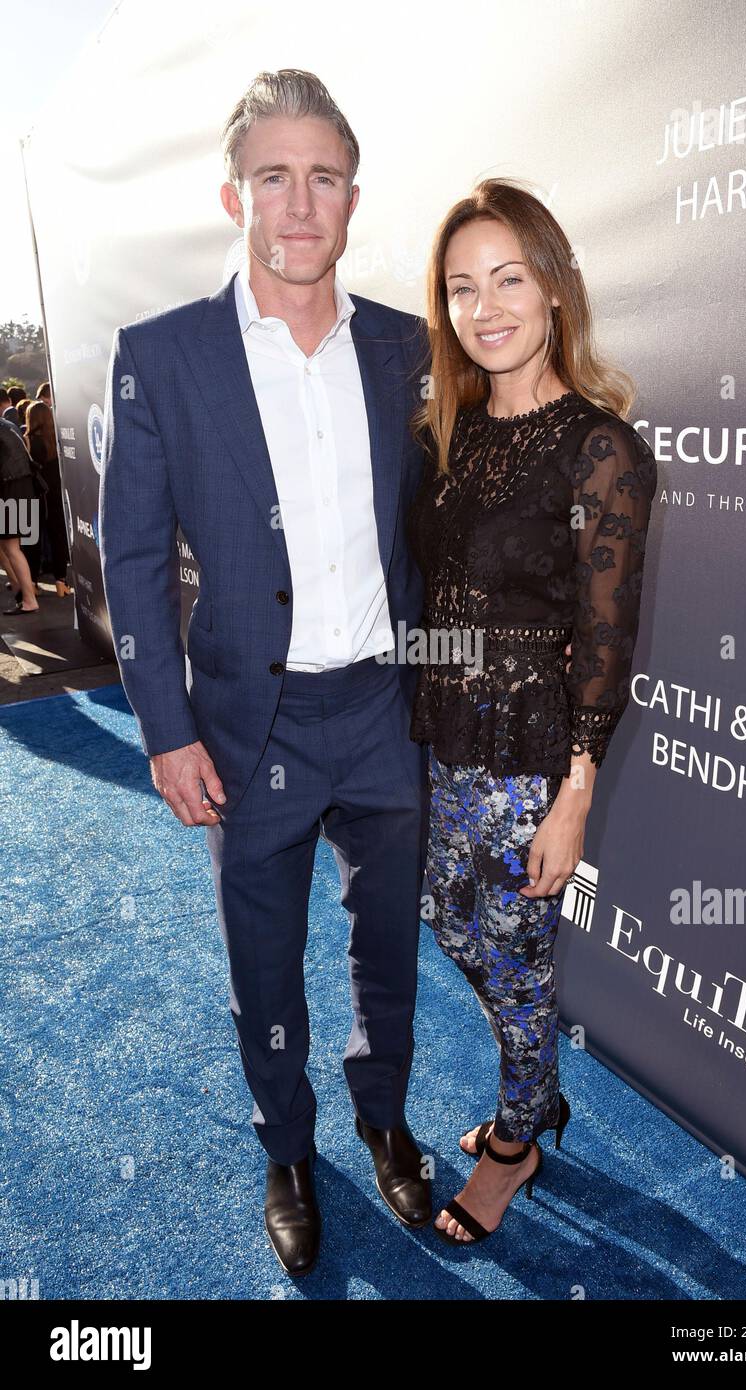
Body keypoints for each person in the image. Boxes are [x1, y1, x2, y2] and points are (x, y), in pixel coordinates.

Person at [99, 68, 433, 1279]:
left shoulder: (406, 346)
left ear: (352, 195)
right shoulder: (162, 356)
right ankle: (286, 1148)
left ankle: (381, 1114)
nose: (301, 205)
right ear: (233, 195)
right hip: (250, 721)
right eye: (275, 178)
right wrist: (164, 730)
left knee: (386, 939)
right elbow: (130, 562)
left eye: (325, 178)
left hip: (386, 713)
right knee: (262, 954)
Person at [405, 177, 658, 1244]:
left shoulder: (598, 449)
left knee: (515, 963)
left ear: (554, 289)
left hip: (529, 761)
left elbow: (604, 643)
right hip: (444, 738)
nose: (486, 305)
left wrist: (574, 796)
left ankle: (515, 1143)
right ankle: (534, 1088)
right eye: (462, 287)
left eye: (509, 277)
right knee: (452, 926)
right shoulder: (447, 435)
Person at [24, 399, 72, 596]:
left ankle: (33, 583)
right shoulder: (58, 440)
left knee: (32, 539)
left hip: (36, 495)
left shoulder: (27, 441)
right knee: (58, 536)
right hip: (56, 494)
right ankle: (61, 582)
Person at [0, 417, 40, 614]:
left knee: (11, 547)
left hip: (11, 490)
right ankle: (20, 589)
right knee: (8, 547)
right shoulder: (8, 425)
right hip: (23, 488)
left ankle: (29, 599)